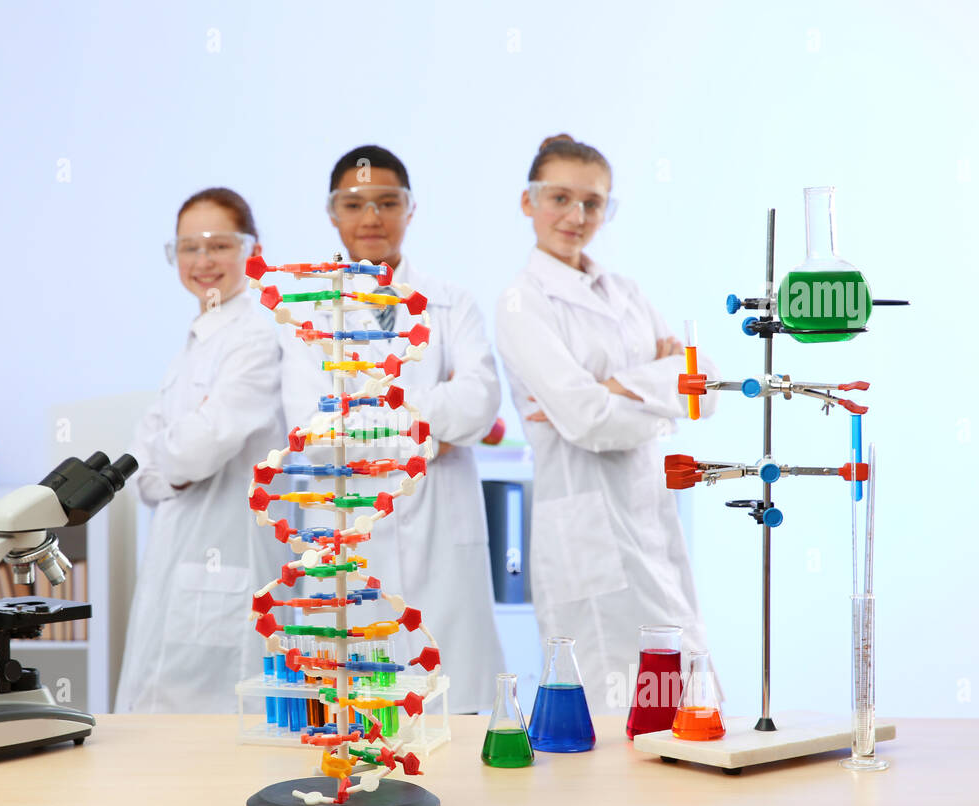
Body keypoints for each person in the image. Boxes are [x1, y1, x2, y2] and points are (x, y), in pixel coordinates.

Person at [494, 134, 722, 714]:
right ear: (528, 202)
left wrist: (615, 386)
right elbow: (588, 422)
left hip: (649, 518)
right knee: (613, 712)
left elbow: (704, 388)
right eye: (560, 198)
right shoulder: (522, 303)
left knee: (684, 699)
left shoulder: (626, 293)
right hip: (585, 532)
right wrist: (654, 381)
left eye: (593, 203)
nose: (576, 216)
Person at [277, 145, 506, 713]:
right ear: (333, 213)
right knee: (352, 723)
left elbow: (480, 402)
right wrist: (433, 429)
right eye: (354, 204)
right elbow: (315, 428)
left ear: (410, 208)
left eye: (387, 202)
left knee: (457, 712)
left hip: (443, 544)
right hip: (348, 538)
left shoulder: (452, 304)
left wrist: (365, 412)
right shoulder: (305, 312)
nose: (371, 217)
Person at [115, 188, 288, 713]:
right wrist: (177, 457)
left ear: (252, 251)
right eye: (189, 247)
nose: (203, 261)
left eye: (219, 245)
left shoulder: (257, 337)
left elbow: (193, 451)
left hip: (226, 564)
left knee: (211, 744)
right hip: (177, 563)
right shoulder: (195, 342)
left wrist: (176, 455)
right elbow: (141, 471)